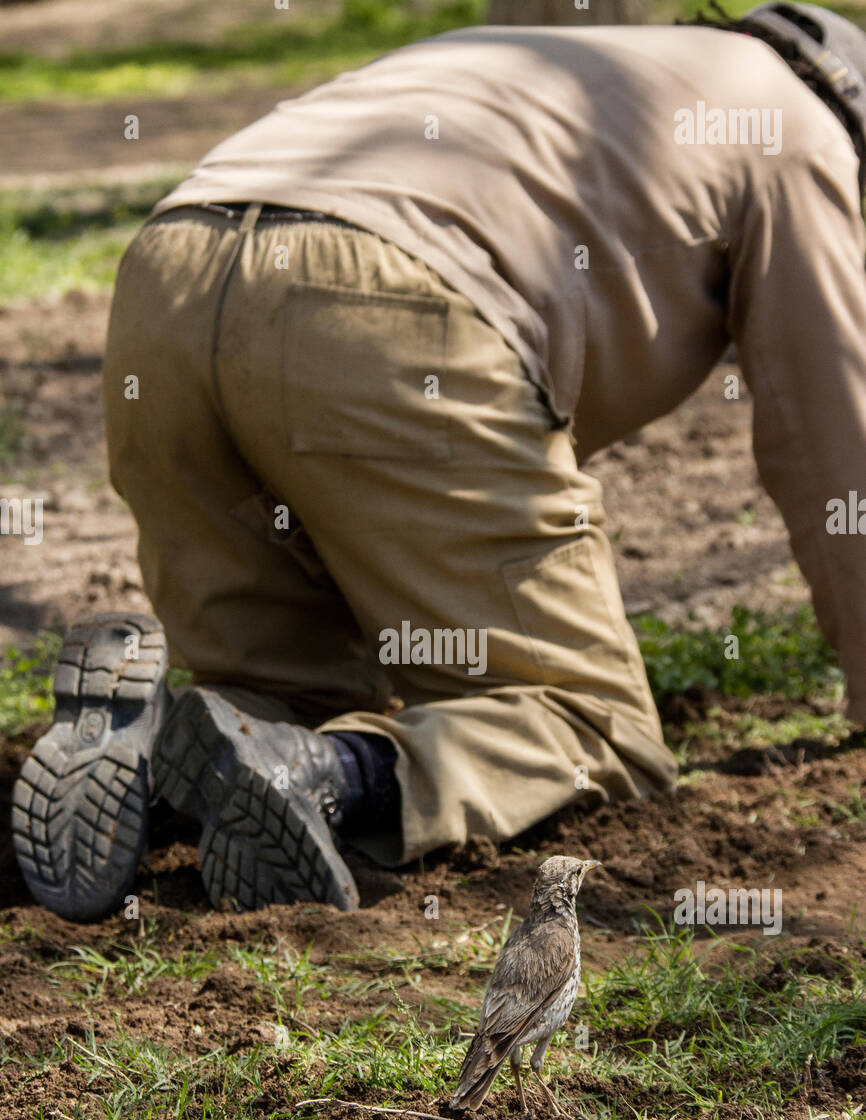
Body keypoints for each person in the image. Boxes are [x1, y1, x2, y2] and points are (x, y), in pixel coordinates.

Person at [13, 4, 866, 920]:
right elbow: (836, 441)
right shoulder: (805, 137)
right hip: (377, 315)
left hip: (165, 287)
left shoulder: (572, 61)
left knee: (279, 695)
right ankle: (326, 774)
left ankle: (142, 762)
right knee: (593, 732)